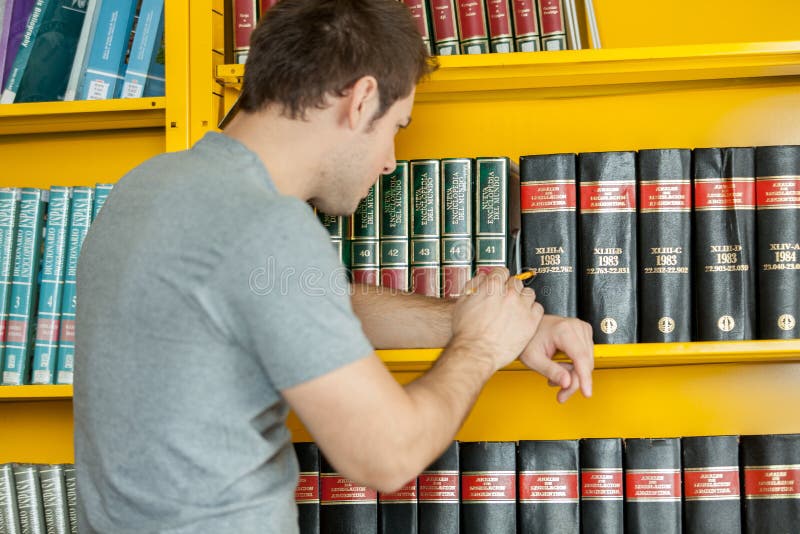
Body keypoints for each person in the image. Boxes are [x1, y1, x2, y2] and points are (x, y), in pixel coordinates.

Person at [74, 0, 594, 532]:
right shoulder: (265, 225)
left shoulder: (149, 188)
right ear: (362, 99)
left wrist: (497, 323)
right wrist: (480, 347)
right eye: (396, 126)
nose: (391, 159)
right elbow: (387, 456)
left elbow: (310, 303)